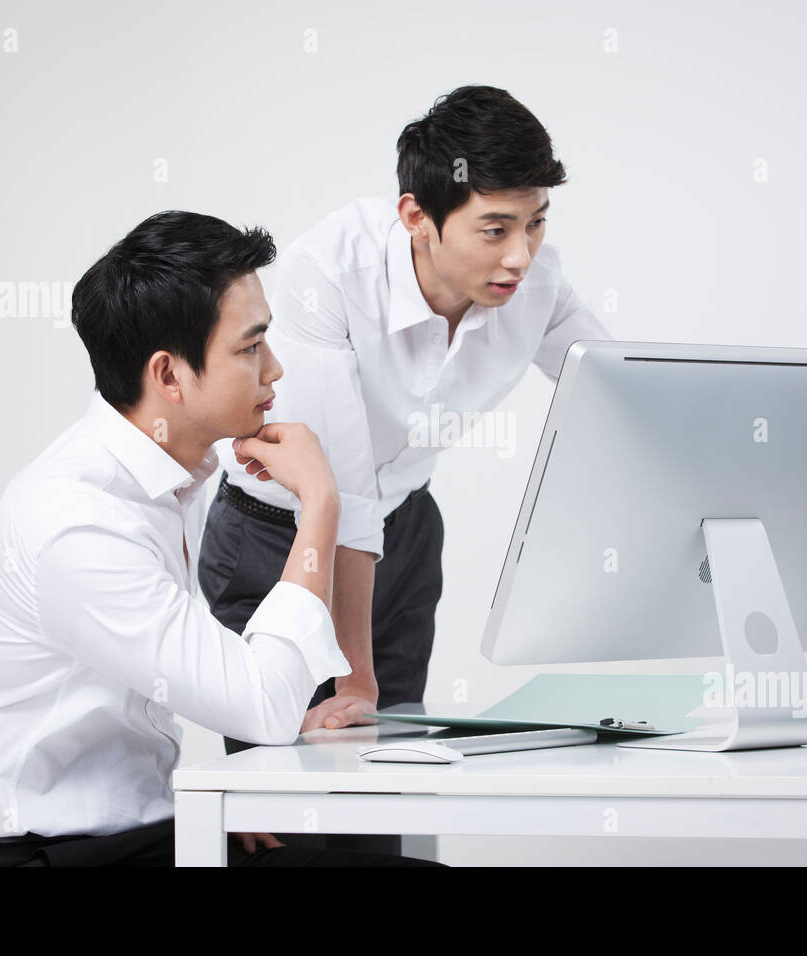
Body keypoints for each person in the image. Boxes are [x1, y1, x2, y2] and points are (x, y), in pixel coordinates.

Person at [0, 210, 442, 866]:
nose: (276, 369)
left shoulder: (159, 485)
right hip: (49, 858)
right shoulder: (79, 524)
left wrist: (199, 816)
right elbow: (262, 704)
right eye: (251, 346)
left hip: (140, 835)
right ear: (169, 376)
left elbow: (205, 689)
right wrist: (320, 502)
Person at [198, 86, 612, 855]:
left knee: (381, 806)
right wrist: (356, 674)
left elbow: (618, 391)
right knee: (279, 826)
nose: (521, 254)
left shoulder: (535, 283)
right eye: (495, 229)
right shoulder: (332, 269)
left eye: (536, 223)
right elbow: (340, 494)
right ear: (416, 216)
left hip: (407, 532)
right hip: (274, 542)